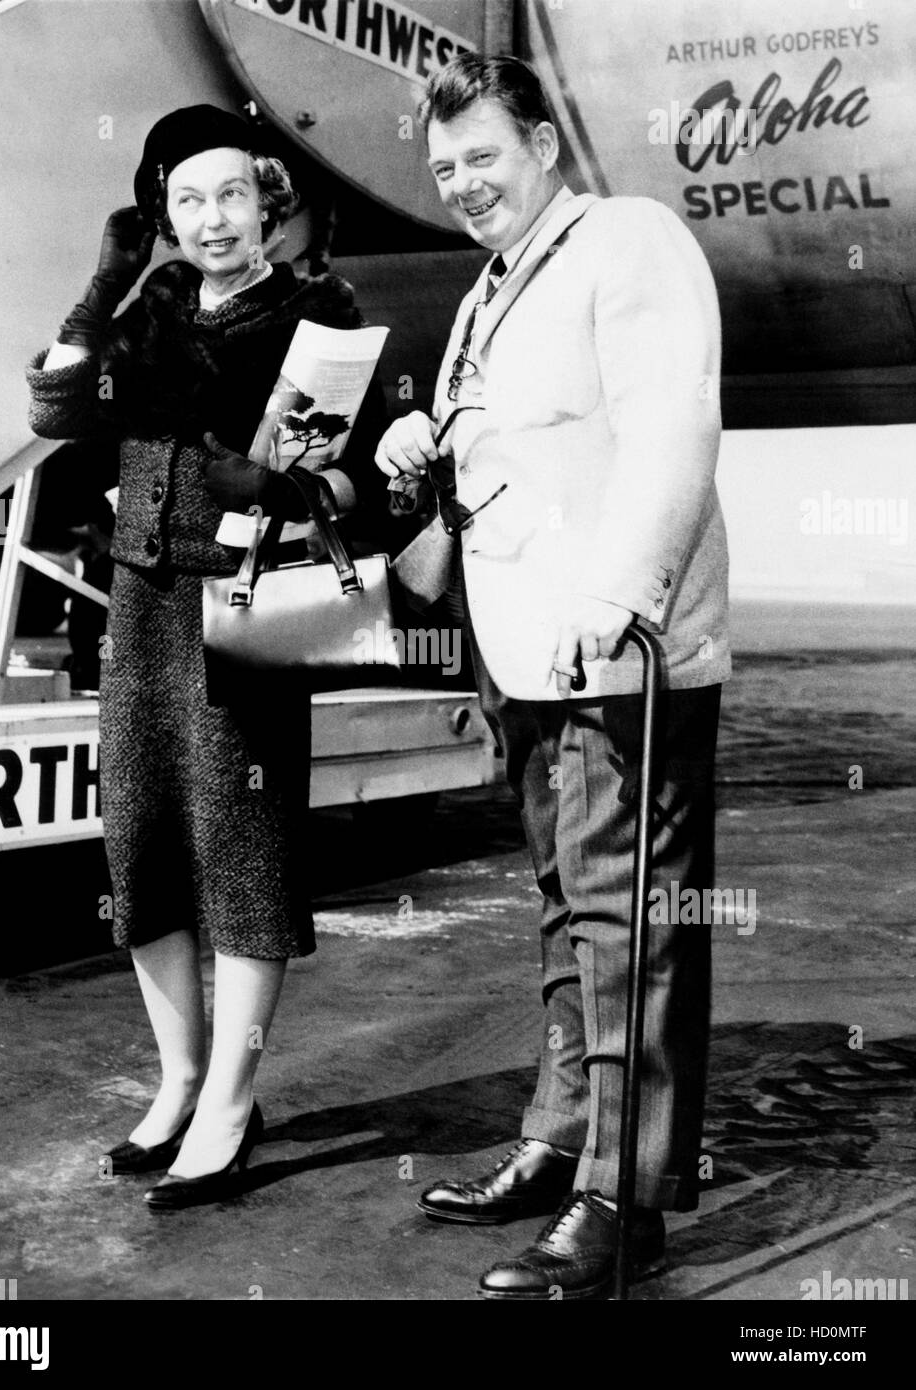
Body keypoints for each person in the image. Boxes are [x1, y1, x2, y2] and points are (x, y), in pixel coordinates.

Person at [375, 55, 729, 1299]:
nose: (465, 184)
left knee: (631, 925)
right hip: (527, 657)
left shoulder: (624, 241)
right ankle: (558, 1135)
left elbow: (671, 424)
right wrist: (426, 439)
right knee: (564, 909)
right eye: (445, 170)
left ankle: (622, 1203)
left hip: (615, 655)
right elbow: (516, 446)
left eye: (482, 156)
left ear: (539, 144)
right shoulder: (487, 290)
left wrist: (615, 600)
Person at [26, 104, 387, 1211]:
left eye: (232, 193)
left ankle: (231, 1101)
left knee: (240, 856)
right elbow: (50, 405)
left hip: (238, 607)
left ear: (268, 204)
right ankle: (180, 1080)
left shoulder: (315, 316)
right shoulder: (152, 315)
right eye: (187, 198)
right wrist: (106, 283)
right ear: (162, 215)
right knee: (143, 848)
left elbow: (355, 483)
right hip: (138, 606)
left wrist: (274, 485)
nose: (213, 216)